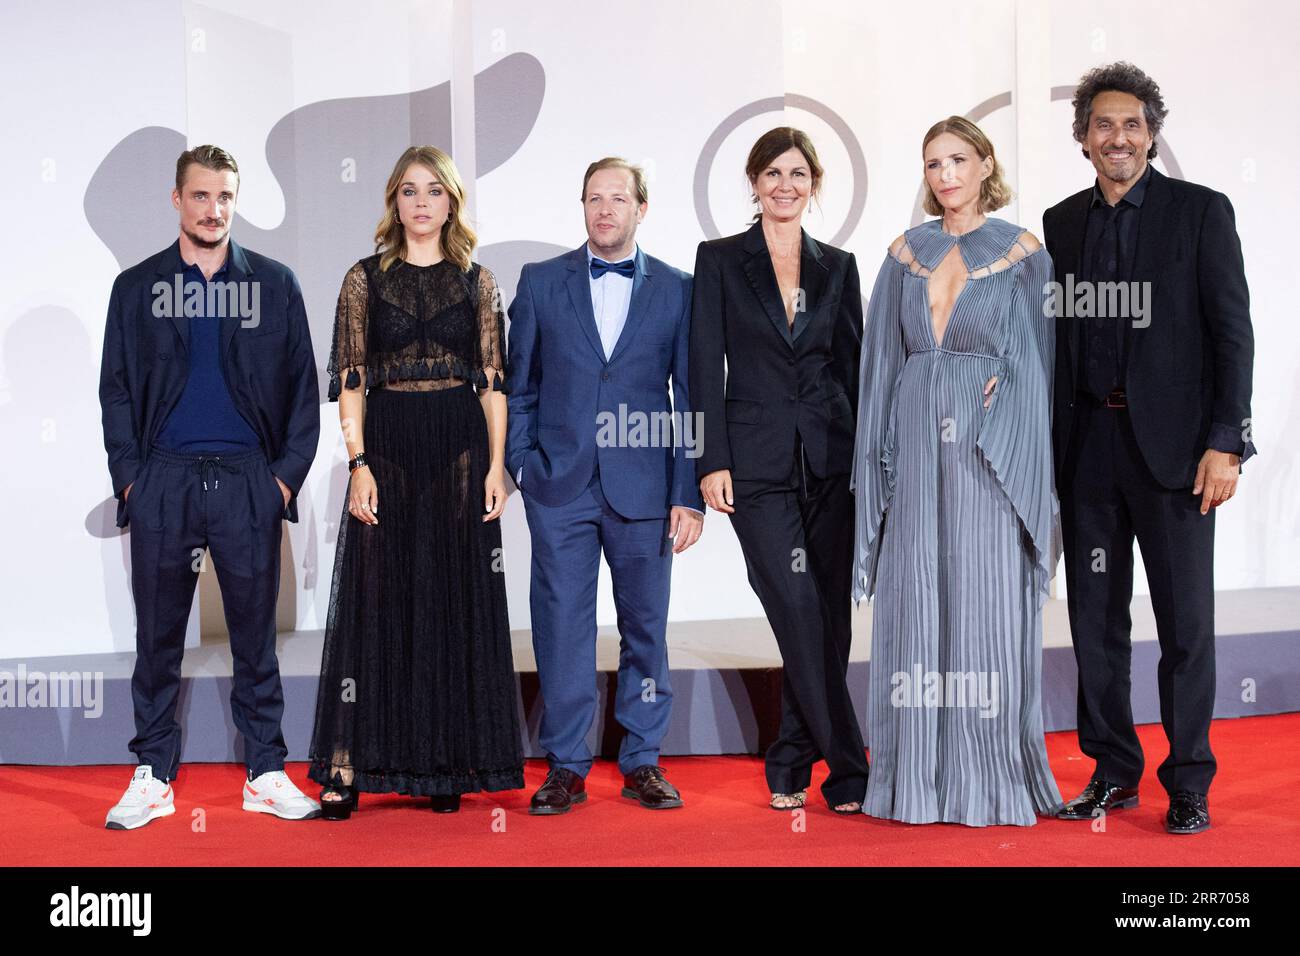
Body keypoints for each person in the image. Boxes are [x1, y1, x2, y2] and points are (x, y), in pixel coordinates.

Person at [1044, 63, 1256, 835]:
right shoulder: (1062, 222)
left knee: (1185, 627)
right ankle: (1111, 773)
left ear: (1153, 133)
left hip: (1176, 459)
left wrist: (1226, 442)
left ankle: (1189, 782)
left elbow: (1233, 333)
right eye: (1103, 125)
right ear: (1084, 139)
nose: (1118, 137)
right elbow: (1057, 344)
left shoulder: (1200, 212)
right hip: (1089, 452)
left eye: (1132, 123)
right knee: (1096, 622)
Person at [99, 145, 321, 829]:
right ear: (176, 200)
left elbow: (305, 395)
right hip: (163, 479)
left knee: (256, 639)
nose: (214, 209)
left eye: (225, 196)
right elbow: (115, 393)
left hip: (247, 481)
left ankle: (265, 771)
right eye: (200, 196)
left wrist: (280, 483)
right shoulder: (136, 288)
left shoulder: (275, 284)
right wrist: (132, 482)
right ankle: (152, 774)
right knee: (158, 639)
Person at [851, 117, 1064, 826]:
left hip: (986, 449)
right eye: (933, 162)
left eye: (958, 160)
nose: (945, 174)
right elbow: (879, 366)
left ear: (984, 165)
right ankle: (913, 783)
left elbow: (1043, 360)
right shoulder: (903, 254)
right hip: (915, 447)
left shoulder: (1023, 252)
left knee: (984, 601)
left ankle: (989, 779)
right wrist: (874, 464)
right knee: (915, 595)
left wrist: (1013, 387)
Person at [307, 146, 524, 817]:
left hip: (459, 444)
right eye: (409, 191)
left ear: (452, 200)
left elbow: (492, 384)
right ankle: (349, 763)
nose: (422, 202)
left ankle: (443, 761)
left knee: (453, 596)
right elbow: (349, 383)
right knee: (378, 597)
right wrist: (358, 464)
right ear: (393, 202)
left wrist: (496, 467)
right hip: (389, 443)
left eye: (434, 190)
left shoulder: (478, 283)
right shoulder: (362, 280)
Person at [505, 157, 702, 815]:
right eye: (594, 197)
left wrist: (688, 492)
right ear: (582, 206)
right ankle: (565, 765)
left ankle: (642, 759)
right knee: (561, 627)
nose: (605, 210)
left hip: (645, 487)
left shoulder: (678, 289)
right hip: (559, 486)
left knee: (645, 627)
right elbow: (520, 386)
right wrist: (521, 467)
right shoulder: (539, 282)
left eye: (618, 198)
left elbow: (689, 398)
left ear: (641, 209)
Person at [690, 127, 869, 814]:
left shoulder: (839, 266)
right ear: (754, 183)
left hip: (832, 459)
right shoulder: (721, 261)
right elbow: (706, 368)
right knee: (794, 605)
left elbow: (853, 370)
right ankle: (849, 765)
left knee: (827, 616)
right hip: (756, 463)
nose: (785, 185)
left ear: (814, 183)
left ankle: (791, 758)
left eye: (798, 174)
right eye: (772, 173)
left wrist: (867, 462)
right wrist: (712, 461)